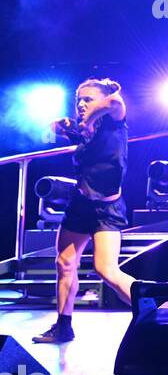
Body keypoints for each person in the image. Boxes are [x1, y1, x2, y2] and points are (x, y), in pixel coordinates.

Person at [35, 79, 136, 343]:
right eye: (79, 100)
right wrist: (64, 125)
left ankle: (151, 312)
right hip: (79, 206)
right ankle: (63, 326)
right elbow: (48, 130)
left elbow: (115, 101)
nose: (81, 104)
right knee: (65, 263)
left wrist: (91, 117)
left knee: (106, 270)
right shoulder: (82, 132)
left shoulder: (115, 123)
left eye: (88, 99)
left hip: (107, 208)